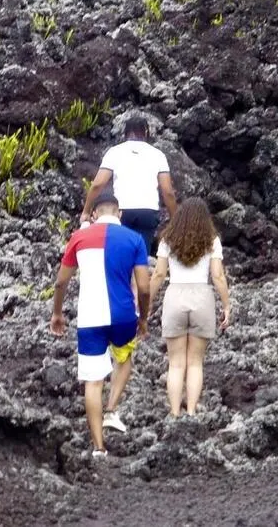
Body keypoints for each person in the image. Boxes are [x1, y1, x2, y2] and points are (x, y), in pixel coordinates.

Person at [50, 191, 151, 457]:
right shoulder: (134, 239)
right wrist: (143, 317)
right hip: (123, 317)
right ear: (119, 214)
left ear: (94, 214)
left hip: (89, 319)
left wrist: (57, 313)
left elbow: (61, 282)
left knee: (92, 383)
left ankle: (98, 448)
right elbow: (143, 286)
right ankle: (111, 409)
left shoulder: (78, 238)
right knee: (124, 357)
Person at [149, 197, 231, 418]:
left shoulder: (168, 239)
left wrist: (146, 303)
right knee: (195, 363)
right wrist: (226, 305)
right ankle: (192, 411)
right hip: (202, 298)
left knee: (175, 364)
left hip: (174, 296)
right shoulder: (212, 240)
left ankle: (175, 413)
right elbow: (218, 276)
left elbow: (158, 274)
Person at [79, 116, 177, 258]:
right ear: (146, 132)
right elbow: (168, 192)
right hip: (148, 212)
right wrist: (175, 219)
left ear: (125, 133)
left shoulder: (114, 152)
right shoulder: (158, 155)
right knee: (140, 257)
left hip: (121, 211)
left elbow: (98, 185)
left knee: (120, 256)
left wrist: (86, 211)